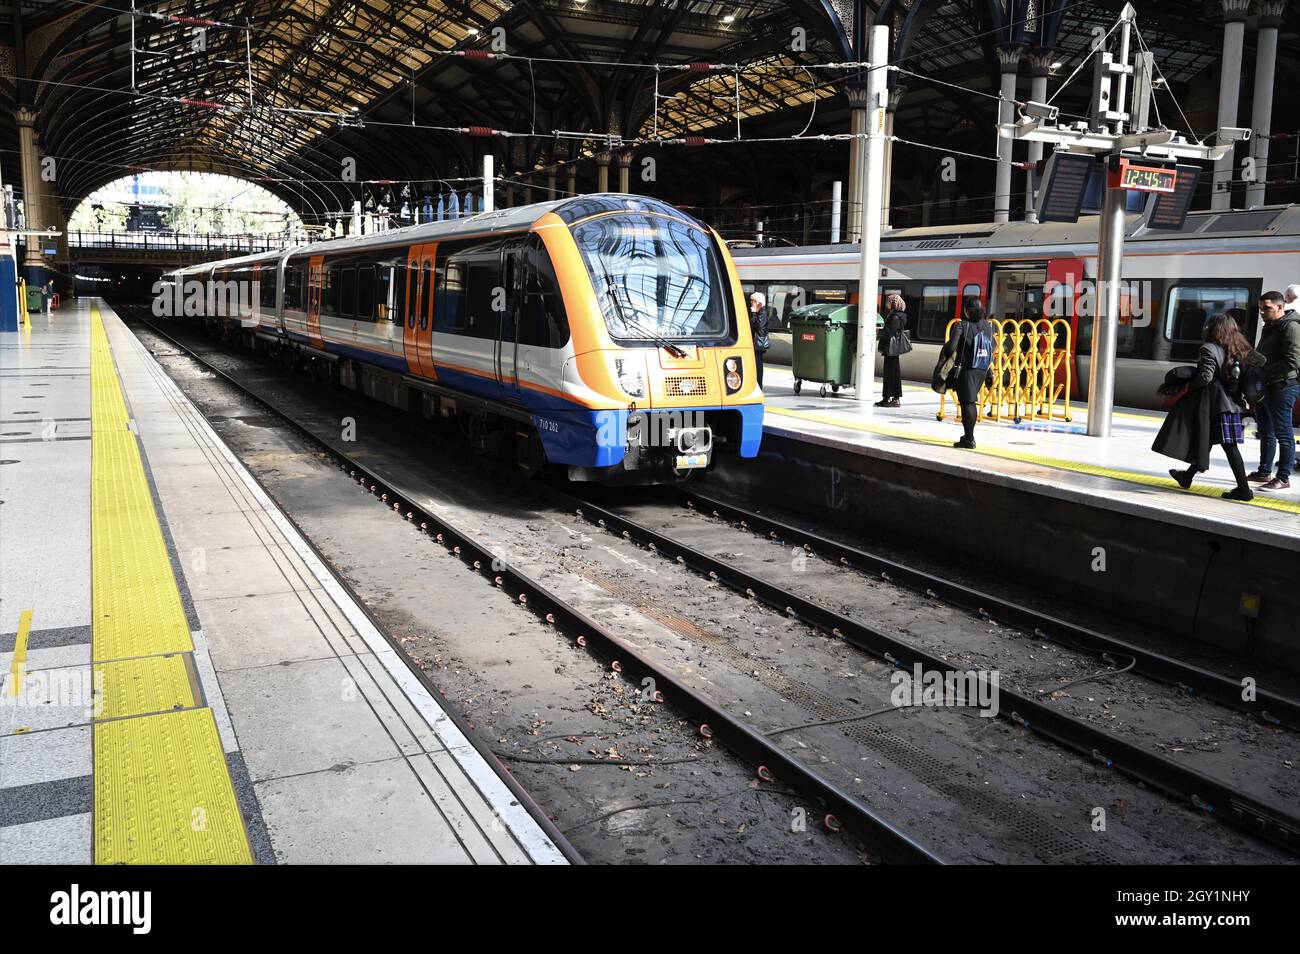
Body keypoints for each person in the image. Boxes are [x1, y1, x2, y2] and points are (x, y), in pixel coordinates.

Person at [1154, 313, 1260, 502]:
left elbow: (1205, 377)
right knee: (1208, 440)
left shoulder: (1208, 349)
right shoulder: (1241, 348)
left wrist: (1188, 386)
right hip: (1234, 404)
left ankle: (1243, 490)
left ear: (1213, 329)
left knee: (1230, 447)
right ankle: (1187, 477)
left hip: (1217, 406)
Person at [1246, 290, 1300, 491]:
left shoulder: (1291, 326)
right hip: (1267, 386)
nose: (1262, 312)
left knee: (1283, 433)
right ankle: (1264, 471)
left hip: (1283, 386)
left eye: (1266, 308)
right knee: (1266, 431)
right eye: (1260, 309)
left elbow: (1293, 361)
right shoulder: (1270, 326)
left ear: (1280, 306)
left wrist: (1264, 371)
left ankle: (1284, 477)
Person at [939, 297, 994, 449]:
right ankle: (968, 436)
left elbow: (951, 349)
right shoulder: (987, 325)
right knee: (970, 401)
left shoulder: (961, 325)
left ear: (966, 310)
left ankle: (969, 438)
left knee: (967, 403)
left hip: (967, 370)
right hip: (982, 369)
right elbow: (992, 347)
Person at [875, 293, 907, 408]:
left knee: (890, 374)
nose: (887, 303)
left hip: (891, 350)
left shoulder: (894, 317)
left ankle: (888, 399)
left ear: (893, 303)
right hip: (893, 351)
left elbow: (889, 333)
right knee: (893, 374)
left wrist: (881, 336)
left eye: (889, 301)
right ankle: (892, 398)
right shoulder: (898, 315)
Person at [748, 292, 774, 388]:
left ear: (759, 302)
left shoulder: (762, 312)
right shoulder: (757, 311)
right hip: (754, 342)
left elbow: (758, 325)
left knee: (758, 364)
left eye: (753, 301)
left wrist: (754, 313)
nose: (751, 302)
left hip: (758, 343)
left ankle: (759, 384)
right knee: (754, 364)